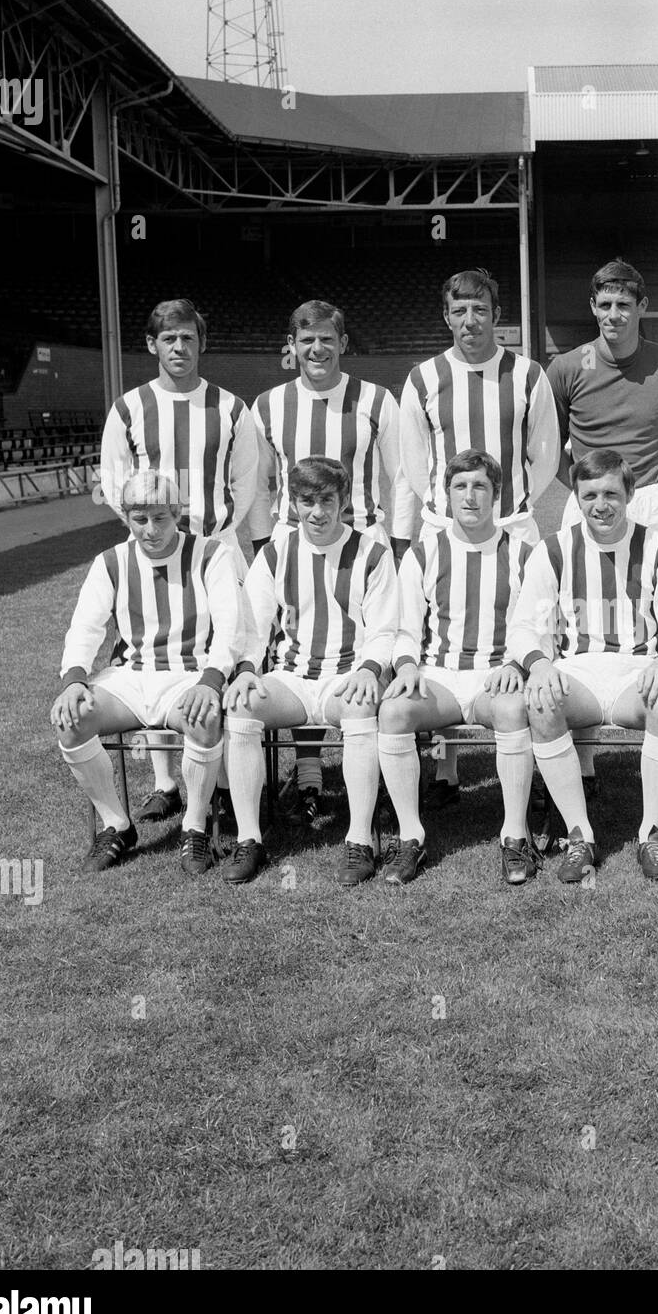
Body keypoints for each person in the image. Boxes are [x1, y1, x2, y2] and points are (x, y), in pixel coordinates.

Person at [391, 268, 559, 807]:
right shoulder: (422, 377)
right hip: (447, 526)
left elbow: (546, 453)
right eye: (459, 311)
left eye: (480, 310)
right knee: (448, 637)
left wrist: (512, 504)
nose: (470, 320)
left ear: (496, 316)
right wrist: (445, 509)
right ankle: (446, 769)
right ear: (446, 317)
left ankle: (531, 768)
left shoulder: (528, 374)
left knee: (523, 636)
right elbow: (414, 463)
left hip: (511, 523)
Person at [98, 298, 258, 824]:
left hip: (218, 550)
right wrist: (154, 538)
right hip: (156, 555)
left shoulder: (232, 408)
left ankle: (230, 784)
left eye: (188, 337)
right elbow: (116, 485)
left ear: (201, 343)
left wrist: (218, 540)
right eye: (169, 339)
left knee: (221, 657)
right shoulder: (127, 409)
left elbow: (245, 484)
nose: (179, 347)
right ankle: (168, 782)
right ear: (152, 345)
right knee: (155, 653)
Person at [246, 299, 401, 823]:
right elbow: (259, 483)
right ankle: (309, 777)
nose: (317, 349)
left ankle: (385, 774)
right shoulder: (267, 406)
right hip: (298, 543)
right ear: (292, 346)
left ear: (343, 343)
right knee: (301, 654)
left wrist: (396, 544)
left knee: (359, 652)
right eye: (305, 340)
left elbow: (399, 476)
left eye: (326, 339)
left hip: (361, 543)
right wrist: (266, 548)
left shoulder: (377, 400)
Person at [545, 258, 658, 788]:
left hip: (650, 497)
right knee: (580, 619)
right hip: (590, 498)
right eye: (604, 305)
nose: (613, 314)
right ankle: (578, 751)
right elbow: (547, 444)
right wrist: (587, 491)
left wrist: (647, 488)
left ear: (642, 307)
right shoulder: (565, 367)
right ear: (592, 306)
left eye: (624, 305)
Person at [508, 449, 658, 882]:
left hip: (636, 670)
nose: (600, 505)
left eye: (610, 493)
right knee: (541, 702)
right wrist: (538, 665)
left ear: (630, 493)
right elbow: (523, 627)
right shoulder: (553, 548)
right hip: (580, 672)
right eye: (589, 495)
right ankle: (579, 835)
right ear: (578, 499)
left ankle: (653, 834)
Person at [51, 471, 243, 875]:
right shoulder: (111, 562)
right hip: (131, 674)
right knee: (72, 721)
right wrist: (73, 681)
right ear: (126, 517)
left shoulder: (211, 554)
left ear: (177, 514)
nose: (151, 529)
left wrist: (211, 681)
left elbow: (231, 627)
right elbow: (85, 627)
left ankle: (194, 826)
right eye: (140, 519)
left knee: (205, 717)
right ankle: (117, 825)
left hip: (189, 672)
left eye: (161, 518)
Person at [221, 457, 397, 887]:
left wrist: (370, 670)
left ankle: (359, 841)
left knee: (358, 712)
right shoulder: (275, 554)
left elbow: (385, 627)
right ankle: (249, 839)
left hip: (348, 674)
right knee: (242, 706)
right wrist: (246, 669)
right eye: (306, 501)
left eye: (326, 500)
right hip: (294, 677)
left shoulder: (372, 553)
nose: (317, 511)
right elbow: (255, 625)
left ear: (343, 501)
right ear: (292, 502)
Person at [376, 450, 536, 886]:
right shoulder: (422, 555)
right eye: (461, 486)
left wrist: (518, 664)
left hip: (495, 675)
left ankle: (515, 835)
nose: (470, 496)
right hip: (440, 676)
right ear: (446, 495)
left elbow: (536, 626)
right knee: (392, 713)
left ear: (496, 495)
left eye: (480, 486)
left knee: (510, 711)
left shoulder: (524, 553)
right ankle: (411, 837)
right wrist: (407, 667)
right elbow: (405, 630)